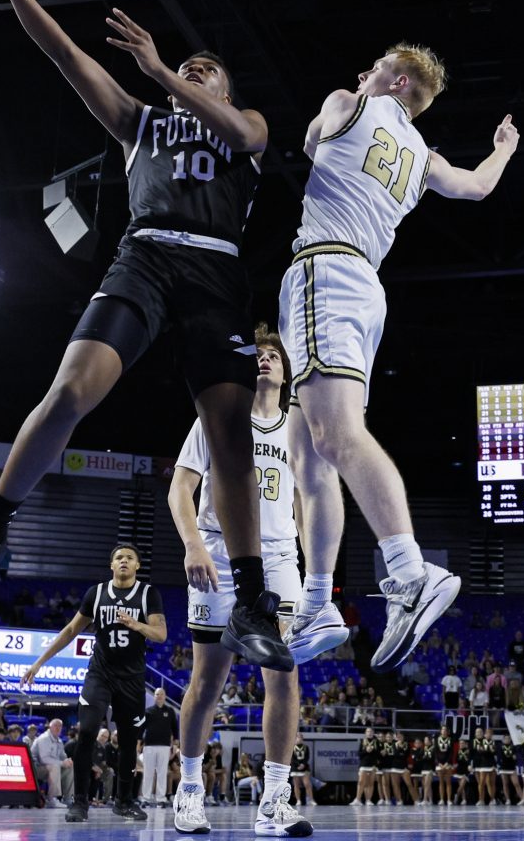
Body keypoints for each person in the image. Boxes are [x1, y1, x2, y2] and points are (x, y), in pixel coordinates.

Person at [0, 0, 288, 672]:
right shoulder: (138, 124)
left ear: (222, 88)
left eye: (205, 70)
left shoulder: (242, 126)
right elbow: (61, 49)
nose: (193, 71)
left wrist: (164, 69)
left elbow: (249, 138)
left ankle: (252, 598)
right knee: (69, 391)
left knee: (228, 438)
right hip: (145, 257)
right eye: (188, 66)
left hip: (216, 272)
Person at [281, 46, 519, 671]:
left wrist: (355, 96)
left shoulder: (346, 103)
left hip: (324, 271)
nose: (363, 70)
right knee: (308, 450)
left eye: (377, 65)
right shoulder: (424, 157)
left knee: (337, 438)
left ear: (400, 79)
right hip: (362, 288)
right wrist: (505, 148)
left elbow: (310, 145)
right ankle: (316, 602)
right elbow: (477, 187)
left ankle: (411, 575)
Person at [167, 325, 312, 837]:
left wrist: (314, 570)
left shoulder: (300, 426)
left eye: (275, 354)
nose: (265, 360)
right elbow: (180, 489)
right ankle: (188, 790)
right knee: (208, 680)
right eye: (259, 354)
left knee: (285, 674)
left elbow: (306, 503)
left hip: (278, 560)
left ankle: (275, 798)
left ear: (287, 369)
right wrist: (192, 544)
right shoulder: (217, 415)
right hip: (219, 556)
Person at [19, 545, 166, 822]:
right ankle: (81, 802)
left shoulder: (148, 594)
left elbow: (160, 634)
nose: (124, 561)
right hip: (100, 673)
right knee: (86, 731)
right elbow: (71, 629)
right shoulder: (96, 593)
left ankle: (123, 801)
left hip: (132, 678)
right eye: (119, 558)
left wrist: (137, 626)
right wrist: (38, 662)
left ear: (137, 566)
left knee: (128, 740)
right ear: (111, 565)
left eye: (129, 558)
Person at [139, 688, 179, 807]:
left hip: (165, 746)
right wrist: (138, 743)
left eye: (161, 694)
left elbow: (175, 729)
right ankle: (145, 798)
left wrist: (175, 744)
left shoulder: (170, 711)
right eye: (157, 694)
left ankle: (161, 798)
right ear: (154, 696)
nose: (159, 696)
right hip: (149, 746)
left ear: (165, 696)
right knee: (148, 773)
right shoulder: (148, 711)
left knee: (162, 773)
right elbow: (141, 729)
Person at [30, 719, 73, 808]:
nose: (58, 728)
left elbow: (63, 756)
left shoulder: (59, 741)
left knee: (70, 767)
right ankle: (52, 798)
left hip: (49, 768)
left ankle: (68, 798)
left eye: (60, 726)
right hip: (35, 769)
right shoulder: (44, 738)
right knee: (55, 766)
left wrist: (68, 761)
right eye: (55, 726)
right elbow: (44, 759)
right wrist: (62, 763)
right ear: (50, 727)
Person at [351, 726, 379, 806]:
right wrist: (366, 750)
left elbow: (378, 754)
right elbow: (359, 754)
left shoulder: (376, 742)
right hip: (364, 764)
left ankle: (368, 800)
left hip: (373, 765)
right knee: (361, 782)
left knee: (370, 783)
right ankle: (358, 799)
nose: (370, 733)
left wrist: (373, 750)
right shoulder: (363, 741)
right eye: (368, 732)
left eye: (371, 732)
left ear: (373, 733)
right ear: (365, 733)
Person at [290, 735, 315, 808]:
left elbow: (307, 757)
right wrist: (298, 764)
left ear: (302, 739)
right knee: (296, 785)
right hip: (295, 767)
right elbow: (292, 758)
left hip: (304, 767)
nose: (298, 739)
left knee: (307, 784)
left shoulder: (306, 747)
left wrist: (303, 764)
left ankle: (311, 799)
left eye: (300, 738)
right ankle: (298, 800)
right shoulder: (292, 747)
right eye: (297, 738)